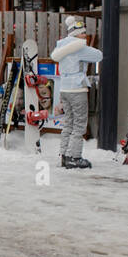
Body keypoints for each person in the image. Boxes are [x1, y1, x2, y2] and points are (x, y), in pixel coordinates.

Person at [51, 14, 103, 170]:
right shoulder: (79, 47)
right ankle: (75, 157)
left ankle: (64, 155)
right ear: (75, 33)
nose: (85, 35)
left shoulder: (61, 47)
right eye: (82, 32)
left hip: (64, 89)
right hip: (77, 90)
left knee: (68, 123)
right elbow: (98, 55)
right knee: (79, 124)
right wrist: (85, 45)